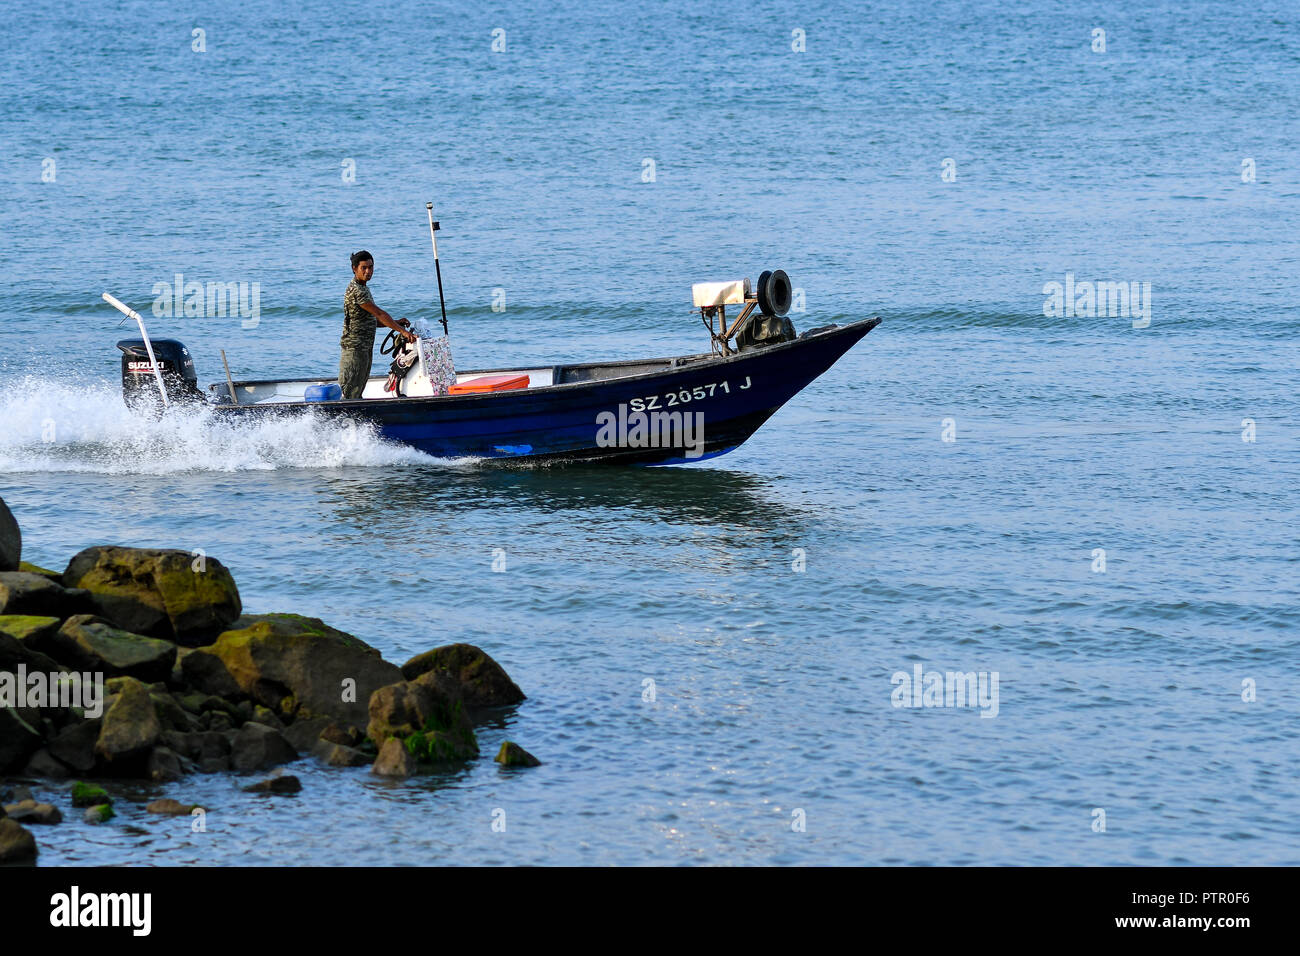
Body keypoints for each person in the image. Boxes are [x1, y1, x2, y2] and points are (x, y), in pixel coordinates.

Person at [339, 250, 415, 399]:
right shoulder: (357, 290)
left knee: (358, 388)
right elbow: (379, 314)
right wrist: (403, 332)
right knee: (351, 392)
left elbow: (369, 319)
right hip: (355, 349)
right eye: (364, 268)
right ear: (354, 268)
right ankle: (348, 420)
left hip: (364, 347)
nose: (368, 271)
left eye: (371, 267)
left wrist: (395, 323)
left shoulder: (363, 287)